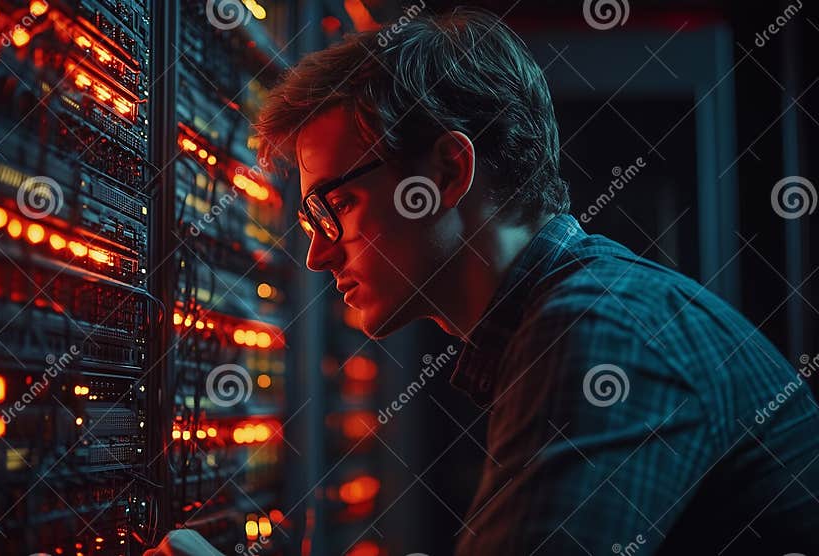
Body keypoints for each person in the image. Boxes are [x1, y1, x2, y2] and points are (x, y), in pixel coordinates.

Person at [149, 7, 819, 555]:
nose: (318, 256)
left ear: (445, 172)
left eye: (338, 206)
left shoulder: (599, 331)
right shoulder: (576, 314)